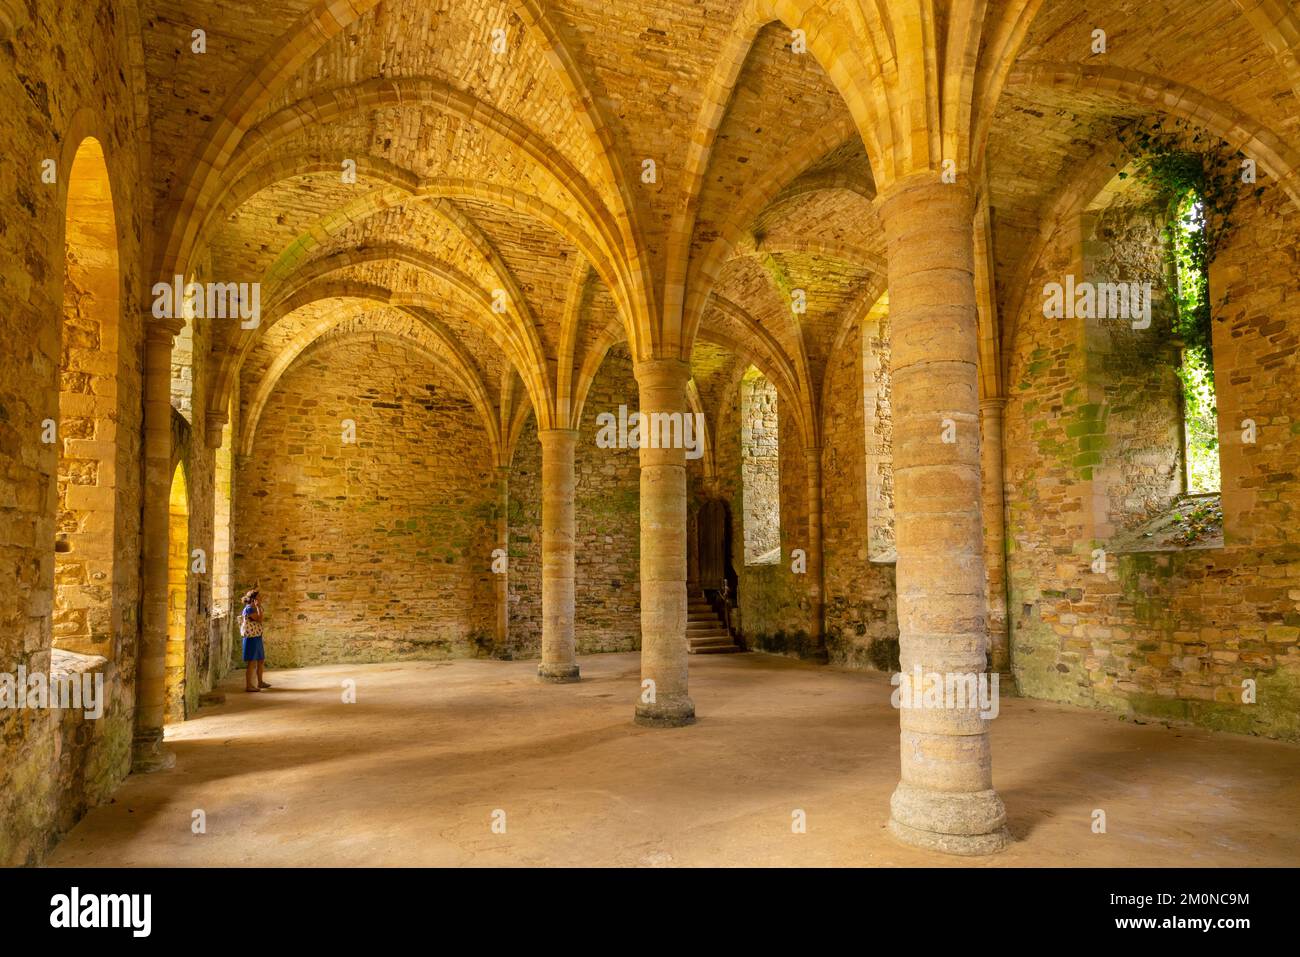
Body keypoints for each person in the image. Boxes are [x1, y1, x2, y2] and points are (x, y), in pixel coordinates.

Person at [240, 589, 271, 693]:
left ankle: (260, 682)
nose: (261, 598)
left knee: (260, 660)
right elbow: (259, 619)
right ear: (254, 599)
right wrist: (258, 607)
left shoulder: (254, 607)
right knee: (251, 662)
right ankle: (249, 686)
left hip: (256, 636)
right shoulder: (249, 609)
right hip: (251, 638)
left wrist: (258, 607)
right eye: (259, 597)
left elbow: (260, 617)